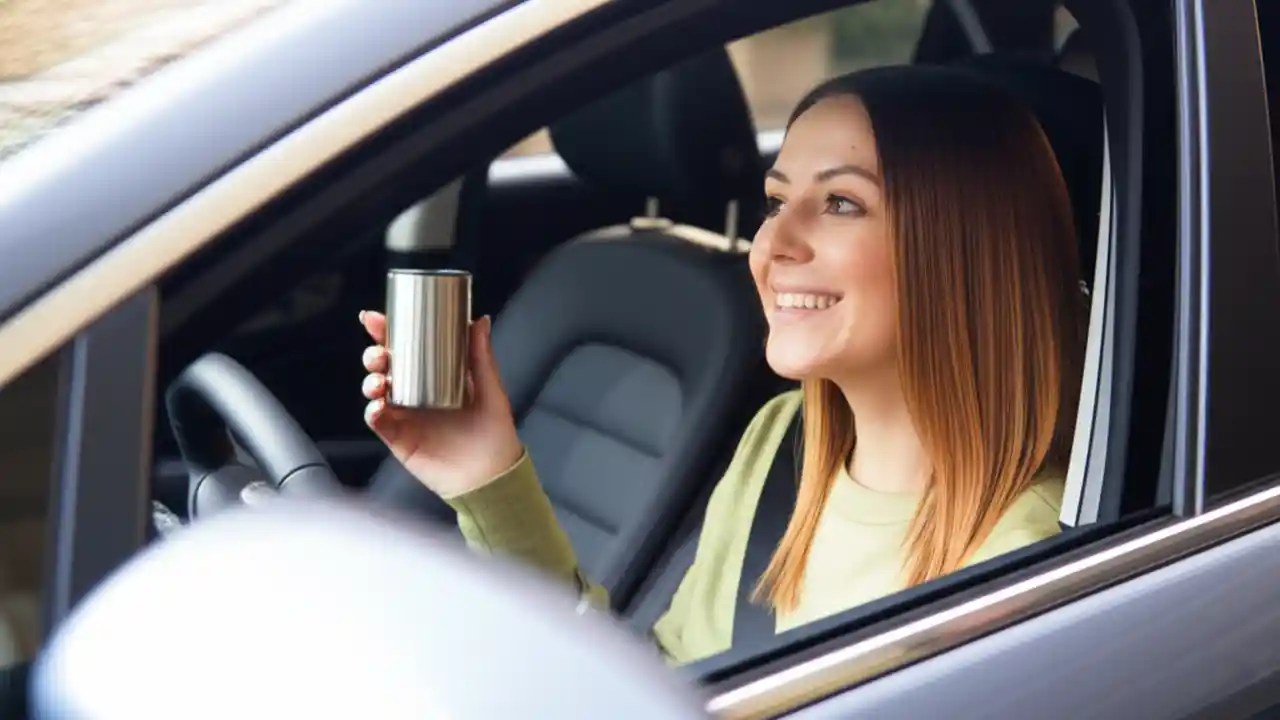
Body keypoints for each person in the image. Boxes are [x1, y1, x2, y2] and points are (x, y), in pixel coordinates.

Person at [356, 65, 1087, 666]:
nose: (775, 245)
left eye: (838, 203)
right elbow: (663, 686)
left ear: (958, 250)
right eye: (776, 201)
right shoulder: (782, 443)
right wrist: (486, 477)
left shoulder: (1026, 563)